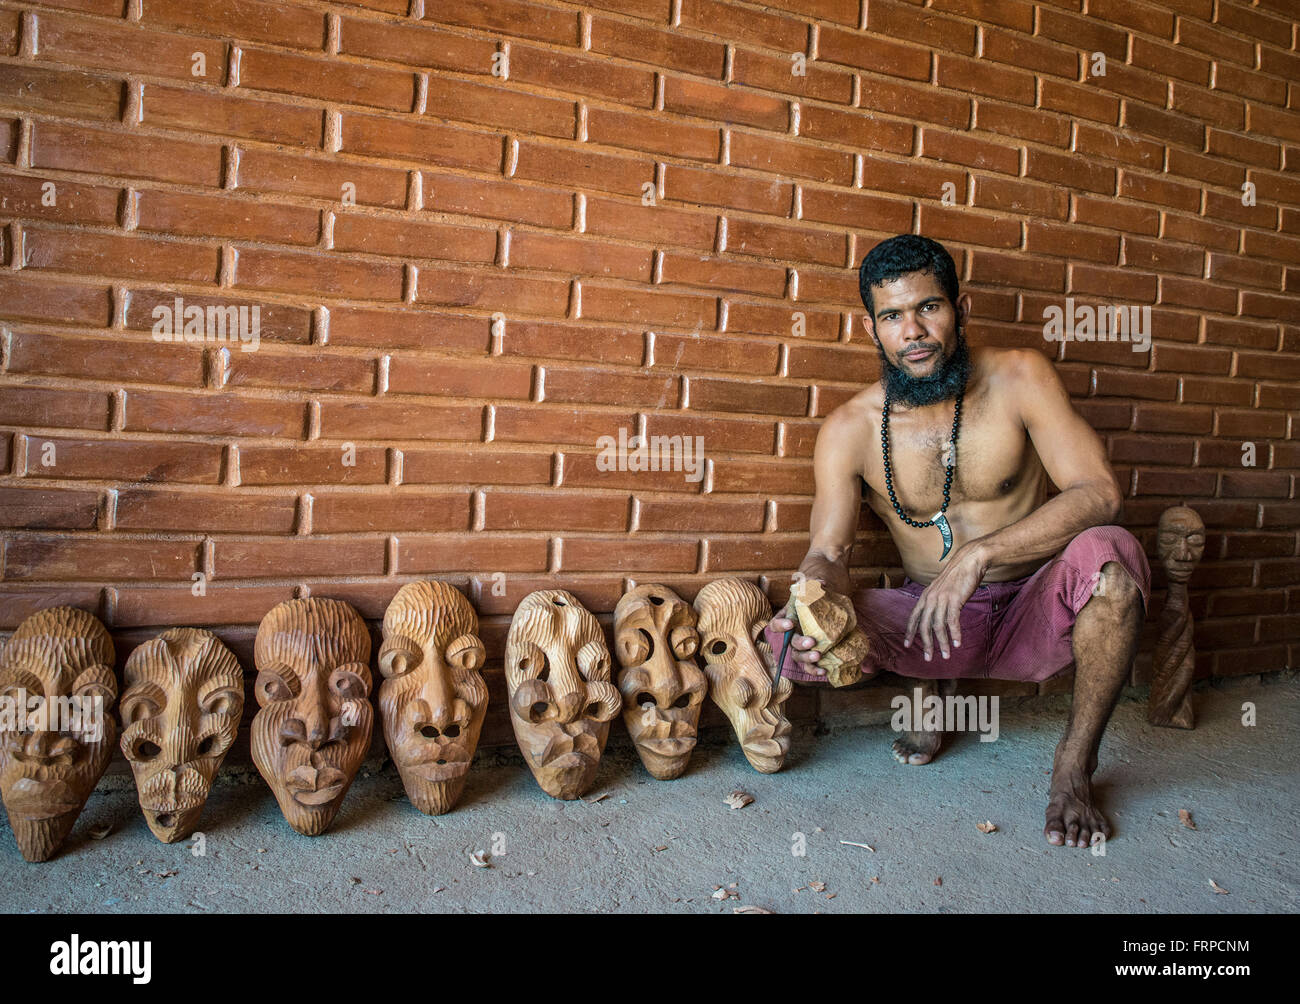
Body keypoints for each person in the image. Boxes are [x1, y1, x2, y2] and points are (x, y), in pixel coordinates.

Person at [766, 234, 1150, 849]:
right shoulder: (849, 427)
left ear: (959, 308)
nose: (912, 331)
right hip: (935, 621)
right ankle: (930, 695)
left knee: (1112, 559)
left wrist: (980, 554)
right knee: (784, 643)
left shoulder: (1021, 376)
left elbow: (1099, 493)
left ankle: (1075, 768)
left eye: (929, 308)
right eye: (892, 316)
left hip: (1036, 606)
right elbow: (830, 552)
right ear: (872, 328)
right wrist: (808, 601)